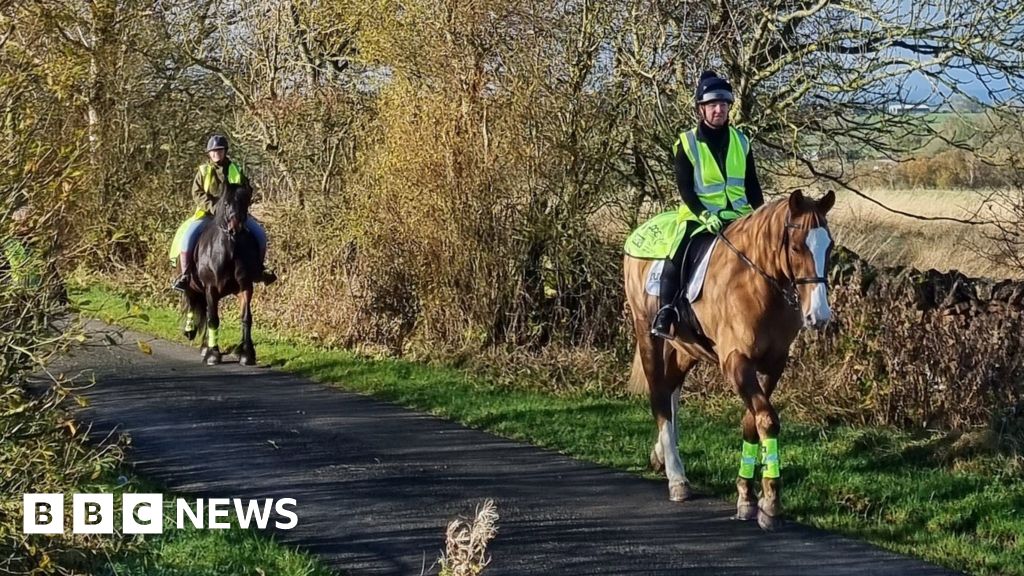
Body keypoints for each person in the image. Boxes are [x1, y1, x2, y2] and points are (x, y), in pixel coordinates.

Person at [650, 70, 765, 339]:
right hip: (699, 216)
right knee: (677, 253)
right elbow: (685, 189)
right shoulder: (686, 143)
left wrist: (761, 215)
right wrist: (703, 214)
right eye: (713, 105)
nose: (719, 110)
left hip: (739, 216)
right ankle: (666, 312)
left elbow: (752, 186)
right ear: (701, 109)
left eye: (723, 105)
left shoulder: (742, 141)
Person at [171, 135, 276, 291]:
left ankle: (260, 270)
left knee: (259, 233)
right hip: (208, 214)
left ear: (225, 151)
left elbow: (247, 190)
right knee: (188, 237)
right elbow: (197, 193)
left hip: (234, 214)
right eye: (213, 151)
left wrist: (240, 204)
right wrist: (214, 208)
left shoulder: (236, 169)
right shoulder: (203, 171)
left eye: (219, 151)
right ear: (209, 153)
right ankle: (185, 276)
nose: (216, 154)